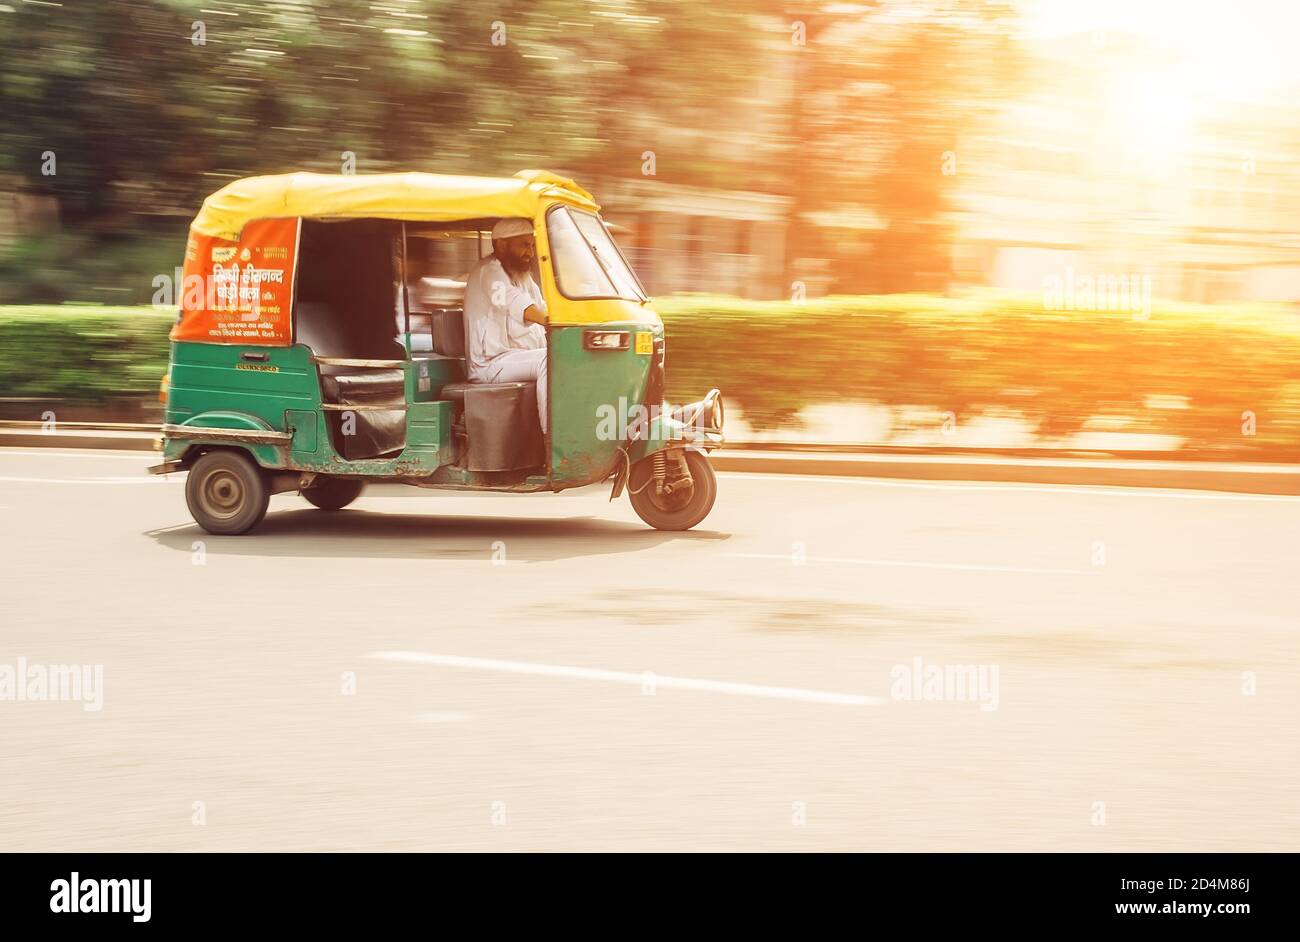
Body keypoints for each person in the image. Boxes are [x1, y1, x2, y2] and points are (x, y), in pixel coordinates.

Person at [461, 218, 550, 432]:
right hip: (487, 365)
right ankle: (553, 440)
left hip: (507, 360)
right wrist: (550, 322)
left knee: (562, 355)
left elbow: (542, 308)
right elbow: (514, 302)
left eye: (531, 245)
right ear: (501, 245)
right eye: (523, 245)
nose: (530, 252)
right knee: (549, 360)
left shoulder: (523, 277)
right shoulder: (488, 271)